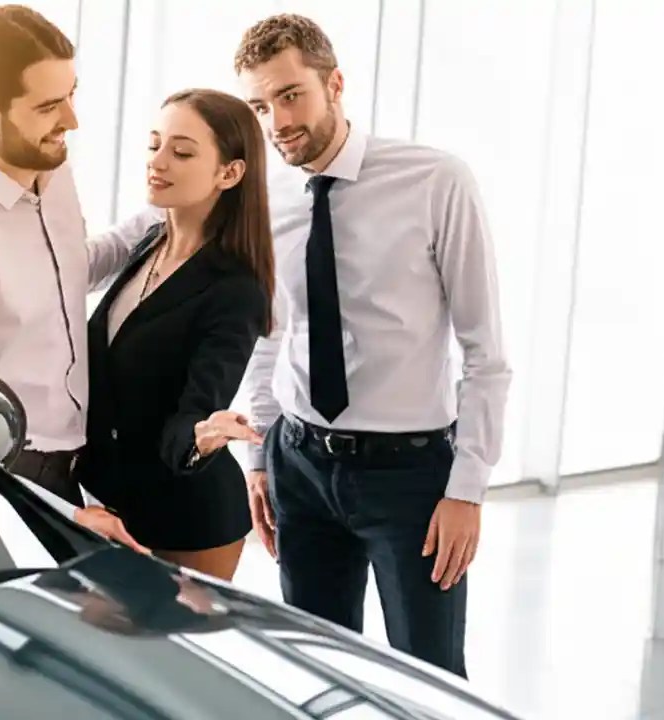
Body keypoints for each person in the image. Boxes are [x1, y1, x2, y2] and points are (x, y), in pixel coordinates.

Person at [227, 14, 512, 677]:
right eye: (260, 105)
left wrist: (466, 490)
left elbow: (486, 352)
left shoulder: (436, 181)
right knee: (318, 674)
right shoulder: (270, 201)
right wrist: (259, 455)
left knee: (430, 676)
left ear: (335, 84)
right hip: (297, 465)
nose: (277, 121)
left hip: (409, 480)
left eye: (291, 95)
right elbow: (273, 333)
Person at [0, 5, 173, 550]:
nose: (72, 120)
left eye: (72, 94)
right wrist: (55, 510)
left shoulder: (52, 167)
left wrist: (169, 213)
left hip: (78, 464)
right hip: (12, 479)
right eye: (48, 105)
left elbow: (67, 273)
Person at [76, 89, 273, 582]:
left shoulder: (236, 290)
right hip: (110, 500)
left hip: (187, 515)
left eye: (182, 152)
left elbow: (195, 408)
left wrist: (202, 437)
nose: (157, 162)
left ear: (229, 173)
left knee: (172, 652)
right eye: (154, 144)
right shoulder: (148, 243)